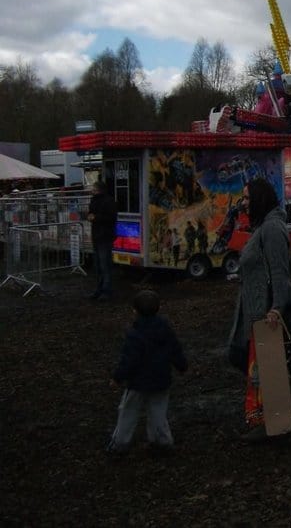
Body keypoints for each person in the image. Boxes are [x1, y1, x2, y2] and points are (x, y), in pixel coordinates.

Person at [227, 178, 291, 441]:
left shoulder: (271, 229)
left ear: (259, 199)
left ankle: (274, 422)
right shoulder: (263, 226)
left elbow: (280, 271)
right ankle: (283, 398)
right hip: (256, 304)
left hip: (266, 308)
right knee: (249, 358)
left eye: (246, 198)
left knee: (264, 364)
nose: (243, 203)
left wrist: (277, 307)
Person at [106, 290, 188, 455]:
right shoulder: (165, 329)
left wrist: (117, 378)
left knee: (128, 412)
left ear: (134, 310)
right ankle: (162, 441)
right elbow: (175, 349)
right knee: (158, 412)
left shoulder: (135, 334)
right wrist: (182, 366)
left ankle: (119, 444)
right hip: (161, 379)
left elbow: (129, 361)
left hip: (138, 383)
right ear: (159, 309)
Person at [87, 180, 118, 300]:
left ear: (98, 189)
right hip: (100, 235)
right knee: (100, 265)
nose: (91, 190)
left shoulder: (106, 201)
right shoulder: (102, 200)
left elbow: (111, 217)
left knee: (104, 265)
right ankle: (101, 289)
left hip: (103, 235)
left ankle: (105, 290)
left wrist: (94, 217)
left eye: (93, 188)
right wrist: (92, 216)